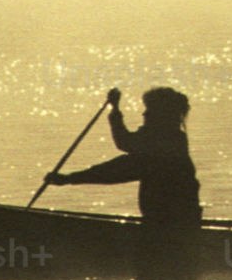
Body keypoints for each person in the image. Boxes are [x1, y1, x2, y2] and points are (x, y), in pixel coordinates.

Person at [47, 86, 201, 231]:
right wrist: (115, 109)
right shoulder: (172, 139)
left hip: (168, 222)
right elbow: (126, 149)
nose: (144, 114)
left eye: (148, 110)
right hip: (173, 220)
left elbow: (120, 163)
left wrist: (68, 179)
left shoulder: (164, 144)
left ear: (161, 115)